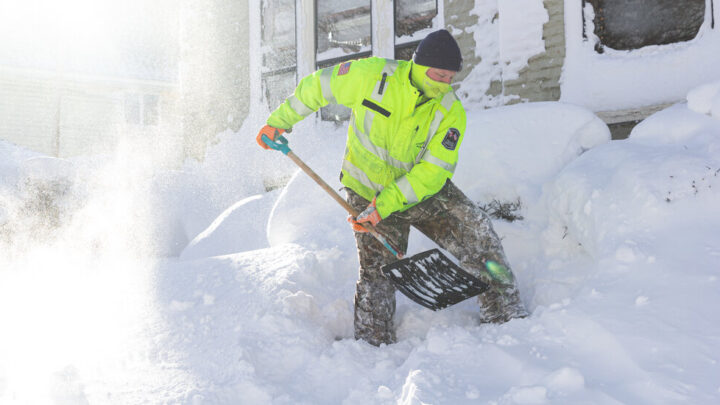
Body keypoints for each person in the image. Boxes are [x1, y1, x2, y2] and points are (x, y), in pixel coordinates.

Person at [256, 29, 527, 346]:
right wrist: (281, 120)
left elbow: (434, 171)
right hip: (365, 188)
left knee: (478, 233)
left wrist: (386, 205)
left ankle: (506, 320)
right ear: (419, 64)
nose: (443, 84)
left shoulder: (450, 111)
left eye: (450, 77)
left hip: (418, 191)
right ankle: (374, 343)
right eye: (438, 75)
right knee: (378, 271)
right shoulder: (373, 76)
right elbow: (320, 86)